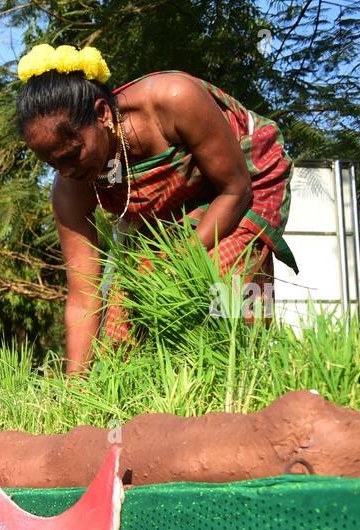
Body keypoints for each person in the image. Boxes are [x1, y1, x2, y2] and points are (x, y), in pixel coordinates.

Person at [15, 45, 295, 373]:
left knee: (228, 302)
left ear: (103, 114)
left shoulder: (173, 99)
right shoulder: (71, 187)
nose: (65, 171)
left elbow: (234, 190)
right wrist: (75, 389)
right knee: (122, 331)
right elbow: (83, 297)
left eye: (72, 154)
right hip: (166, 219)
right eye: (52, 163)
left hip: (240, 190)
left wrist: (180, 260)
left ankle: (247, 384)